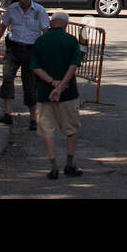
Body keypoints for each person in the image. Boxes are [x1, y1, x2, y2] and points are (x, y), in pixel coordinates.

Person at [0, 0, 49, 129]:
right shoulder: (12, 9)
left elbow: (45, 32)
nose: (22, 1)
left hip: (31, 50)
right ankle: (8, 113)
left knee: (30, 84)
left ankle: (33, 118)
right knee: (7, 79)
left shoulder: (39, 11)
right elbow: (2, 27)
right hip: (13, 48)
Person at [31, 10, 83, 180]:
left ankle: (53, 166)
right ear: (66, 25)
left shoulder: (40, 41)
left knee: (47, 130)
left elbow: (35, 67)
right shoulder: (71, 41)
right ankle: (69, 163)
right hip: (68, 93)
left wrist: (52, 83)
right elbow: (73, 66)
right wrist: (60, 87)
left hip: (45, 92)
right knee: (72, 129)